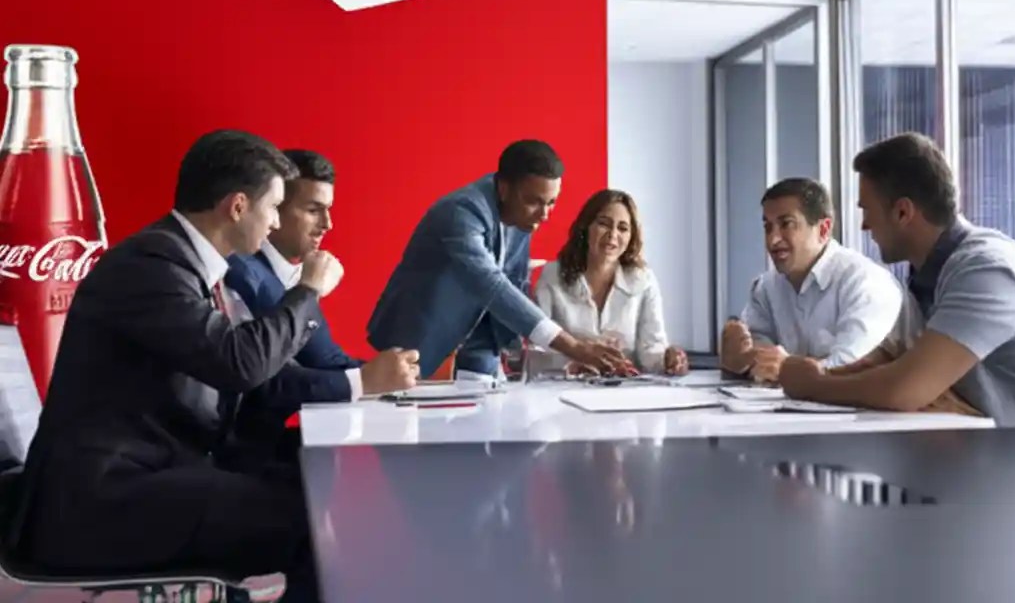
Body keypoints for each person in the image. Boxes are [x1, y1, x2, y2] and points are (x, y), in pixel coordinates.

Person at [10, 130, 342, 601]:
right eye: (272, 207)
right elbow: (237, 363)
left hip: (154, 473)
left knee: (317, 483)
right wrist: (306, 292)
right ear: (238, 206)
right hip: (99, 503)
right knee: (309, 523)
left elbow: (248, 373)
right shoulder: (150, 265)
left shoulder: (191, 266)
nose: (273, 224)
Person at [779, 132, 1015, 427]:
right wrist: (822, 374)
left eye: (867, 210)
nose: (864, 226)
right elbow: (890, 357)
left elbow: (905, 389)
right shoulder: (926, 273)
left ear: (903, 212)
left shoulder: (987, 270)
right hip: (1010, 456)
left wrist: (816, 386)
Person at [367, 140, 628, 381]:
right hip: (420, 335)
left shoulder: (520, 213)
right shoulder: (461, 212)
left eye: (551, 202)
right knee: (404, 425)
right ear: (503, 189)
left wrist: (512, 351)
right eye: (535, 202)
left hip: (482, 341)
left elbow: (513, 281)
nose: (545, 215)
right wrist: (574, 347)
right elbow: (491, 285)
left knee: (488, 422)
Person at [222, 149, 418, 447]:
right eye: (313, 210)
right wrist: (366, 380)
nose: (328, 224)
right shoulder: (243, 274)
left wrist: (394, 374)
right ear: (275, 210)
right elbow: (265, 385)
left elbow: (325, 359)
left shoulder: (289, 273)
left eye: (328, 209)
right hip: (240, 450)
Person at [719, 177, 904, 384]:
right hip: (794, 412)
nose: (773, 239)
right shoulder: (765, 287)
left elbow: (854, 367)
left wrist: (789, 369)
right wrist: (737, 362)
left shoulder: (865, 282)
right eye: (767, 227)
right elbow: (759, 360)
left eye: (786, 224)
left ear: (824, 229)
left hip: (870, 413)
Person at [529, 189, 688, 376]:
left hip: (623, 392)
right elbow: (535, 351)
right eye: (604, 224)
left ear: (631, 237)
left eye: (623, 228)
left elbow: (651, 353)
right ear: (586, 227)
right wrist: (575, 360)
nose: (613, 234)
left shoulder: (644, 280)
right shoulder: (553, 274)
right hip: (564, 390)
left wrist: (669, 360)